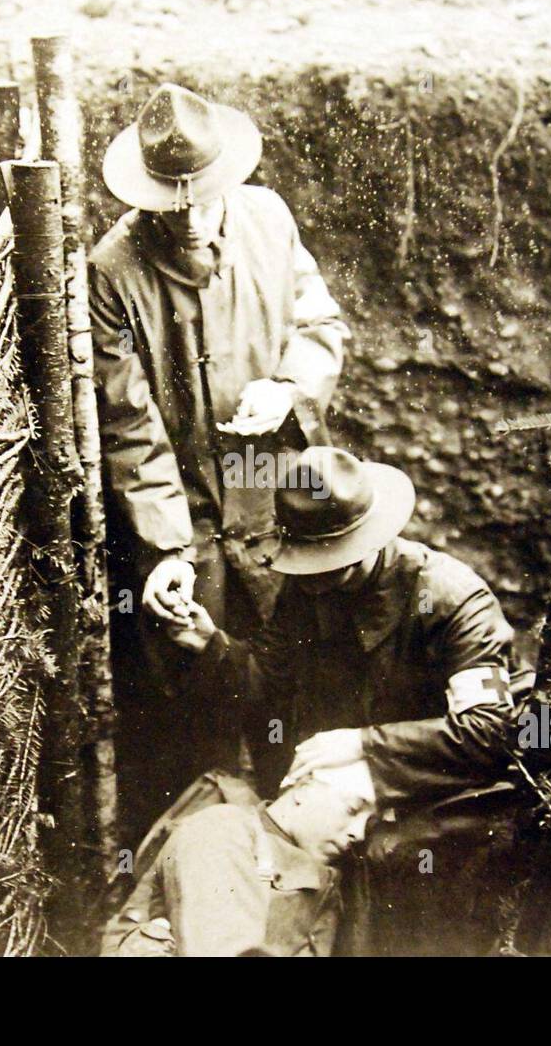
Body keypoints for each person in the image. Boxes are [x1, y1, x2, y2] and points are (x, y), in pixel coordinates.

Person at [89, 83, 349, 845]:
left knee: (292, 690)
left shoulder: (269, 218)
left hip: (277, 505)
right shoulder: (112, 270)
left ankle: (295, 857)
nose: (193, 217)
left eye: (204, 198)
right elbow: (129, 423)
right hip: (191, 523)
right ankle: (192, 868)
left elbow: (318, 320)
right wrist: (168, 547)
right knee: (189, 702)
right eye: (172, 205)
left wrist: (290, 384)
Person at [164, 446, 531, 954]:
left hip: (446, 783)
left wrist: (364, 745)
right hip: (350, 786)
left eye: (331, 566)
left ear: (368, 540)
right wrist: (212, 645)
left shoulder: (451, 599)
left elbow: (490, 732)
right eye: (308, 565)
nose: (316, 581)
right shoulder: (308, 588)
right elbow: (267, 681)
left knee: (394, 860)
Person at [101, 763, 375, 957]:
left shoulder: (326, 880)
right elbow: (221, 947)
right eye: (352, 809)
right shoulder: (224, 827)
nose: (358, 832)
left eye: (369, 822)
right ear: (303, 789)